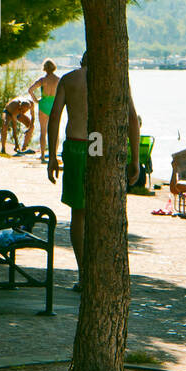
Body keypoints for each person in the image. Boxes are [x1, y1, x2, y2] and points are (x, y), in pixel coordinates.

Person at [47, 53, 139, 289]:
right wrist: (135, 159)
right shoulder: (115, 79)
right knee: (104, 212)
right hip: (103, 149)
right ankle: (104, 273)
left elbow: (55, 116)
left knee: (79, 213)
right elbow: (132, 118)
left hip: (77, 145)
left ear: (82, 63)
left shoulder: (69, 79)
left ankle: (84, 273)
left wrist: (52, 157)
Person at [28, 60, 60, 163]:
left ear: (45, 68)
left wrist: (36, 100)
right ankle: (53, 155)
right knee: (56, 132)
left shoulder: (43, 80)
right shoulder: (58, 80)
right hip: (54, 105)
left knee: (43, 131)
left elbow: (30, 90)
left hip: (43, 105)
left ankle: (42, 156)